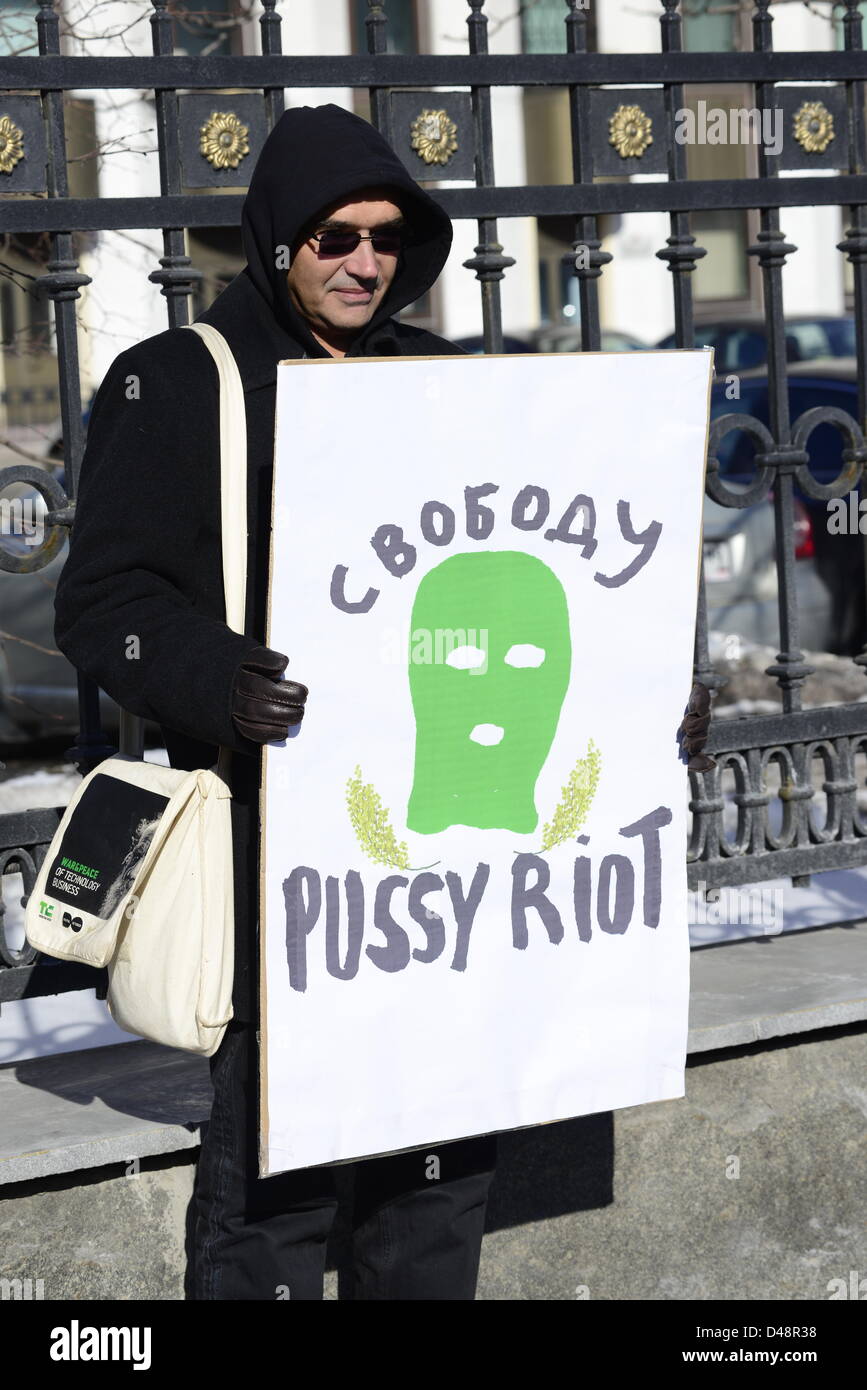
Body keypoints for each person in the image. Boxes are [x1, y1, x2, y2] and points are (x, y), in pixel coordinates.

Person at [53, 102, 500, 1300]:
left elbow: (535, 581)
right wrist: (219, 675)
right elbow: (103, 604)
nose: (366, 261)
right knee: (274, 1196)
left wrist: (638, 704)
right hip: (281, 855)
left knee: (438, 1176)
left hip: (444, 855)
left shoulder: (448, 380)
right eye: (335, 237)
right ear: (276, 243)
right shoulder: (174, 383)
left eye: (389, 237)